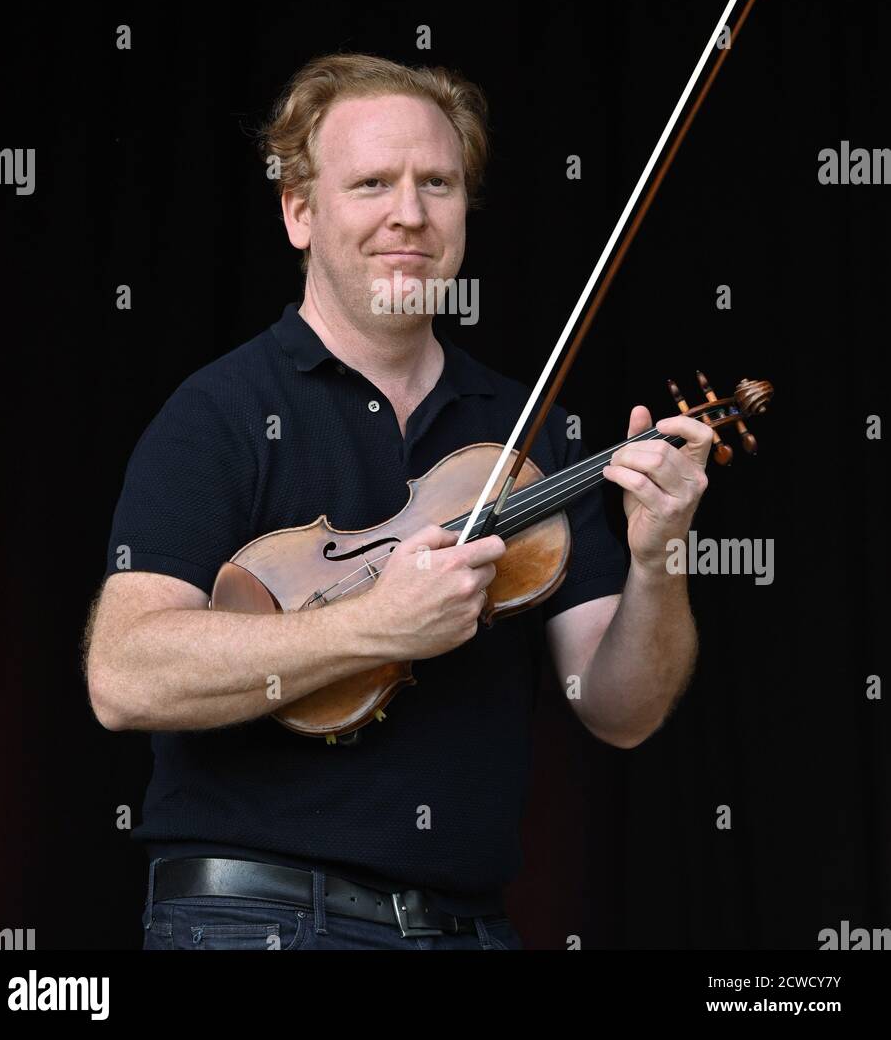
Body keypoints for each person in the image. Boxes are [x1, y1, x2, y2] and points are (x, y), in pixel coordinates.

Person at [83, 52, 713, 951]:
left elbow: (621, 710)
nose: (409, 214)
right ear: (300, 212)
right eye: (372, 182)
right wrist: (375, 624)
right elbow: (123, 673)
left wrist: (659, 559)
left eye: (438, 183)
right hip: (253, 921)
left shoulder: (532, 432)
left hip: (465, 932)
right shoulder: (218, 414)